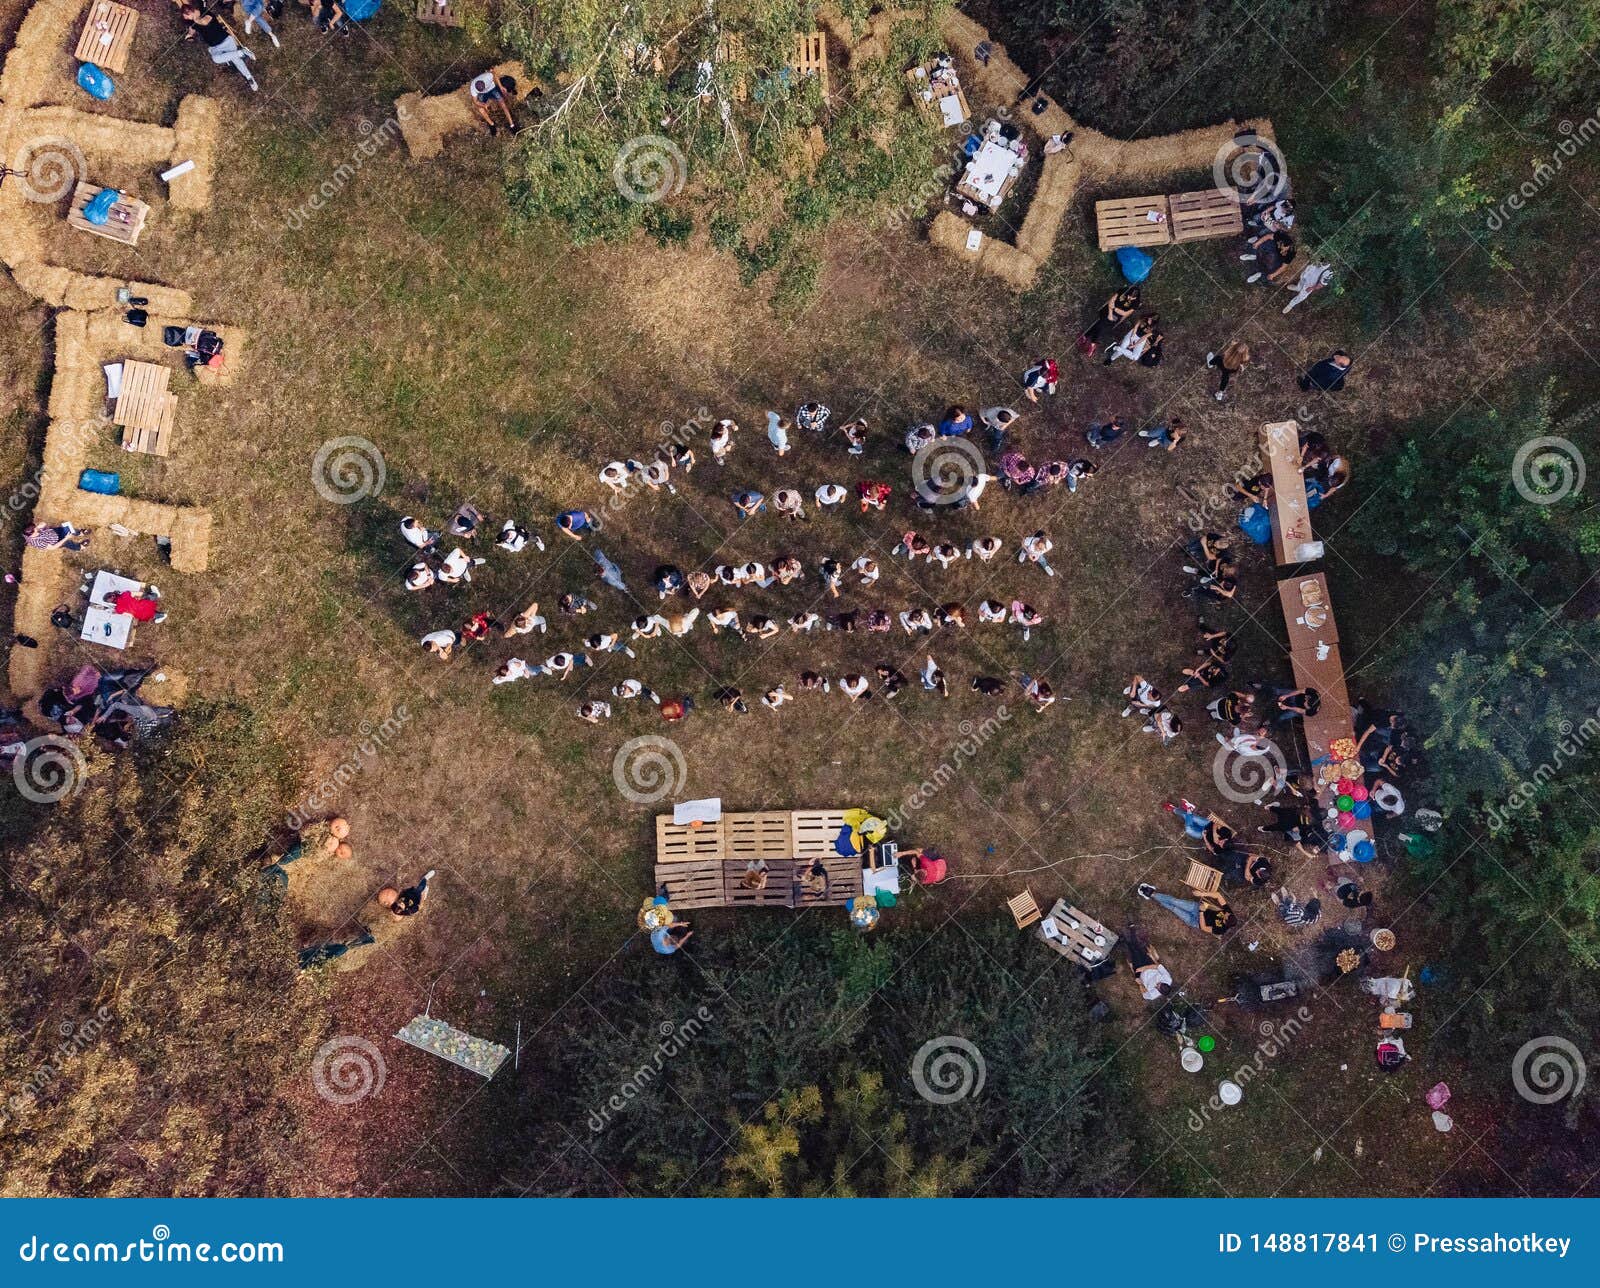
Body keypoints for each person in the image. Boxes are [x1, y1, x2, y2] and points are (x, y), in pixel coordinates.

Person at [181, 5, 259, 90]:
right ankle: (242, 52)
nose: (188, 19)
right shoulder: (192, 21)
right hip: (215, 48)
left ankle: (250, 78)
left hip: (226, 41)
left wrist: (195, 19)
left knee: (237, 61)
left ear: (189, 11)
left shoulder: (205, 12)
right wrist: (189, 34)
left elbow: (205, 22)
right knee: (216, 59)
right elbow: (191, 29)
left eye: (187, 16)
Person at [1137, 883, 1234, 935]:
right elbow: (1218, 895)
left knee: (1173, 908)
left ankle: (1152, 896)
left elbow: (1204, 928)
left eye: (1226, 916)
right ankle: (1152, 893)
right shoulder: (1229, 914)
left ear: (1225, 922)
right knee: (1175, 901)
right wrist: (1201, 894)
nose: (1226, 913)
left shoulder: (1221, 930)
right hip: (1196, 908)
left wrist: (1201, 912)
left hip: (1195, 921)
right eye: (1228, 913)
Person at [1079, 286, 1140, 356]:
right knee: (1101, 324)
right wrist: (1110, 313)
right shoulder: (1124, 291)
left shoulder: (1136, 303)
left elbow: (1125, 313)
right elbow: (1111, 301)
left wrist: (1115, 311)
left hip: (1116, 316)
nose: (1129, 298)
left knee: (1101, 324)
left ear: (1136, 297)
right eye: (1129, 296)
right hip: (1108, 310)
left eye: (1132, 298)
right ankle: (1092, 343)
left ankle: (1086, 337)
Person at [1124, 926, 1173, 1000]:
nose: (1157, 984)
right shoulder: (1168, 979)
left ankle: (1128, 938)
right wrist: (1144, 968)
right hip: (1149, 965)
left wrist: (1140, 984)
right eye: (1159, 983)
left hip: (1140, 975)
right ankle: (1131, 934)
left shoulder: (1152, 995)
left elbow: (1144, 994)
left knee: (1135, 954)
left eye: (1157, 986)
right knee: (1138, 950)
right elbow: (1158, 966)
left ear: (1159, 991)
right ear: (1165, 983)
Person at [469, 69, 519, 135]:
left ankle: (512, 125)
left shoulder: (487, 76)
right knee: (480, 109)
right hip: (482, 94)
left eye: (484, 87)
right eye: (481, 89)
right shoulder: (473, 88)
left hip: (492, 89)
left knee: (503, 104)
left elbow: (494, 73)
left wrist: (501, 87)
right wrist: (484, 105)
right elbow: (475, 101)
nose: (484, 89)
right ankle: (492, 124)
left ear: (484, 83)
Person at [23, 522, 91, 552]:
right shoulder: (37, 542)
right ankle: (80, 547)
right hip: (57, 541)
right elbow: (53, 547)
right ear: (32, 534)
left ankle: (80, 533)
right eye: (35, 529)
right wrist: (65, 538)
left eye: (35, 527)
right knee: (68, 543)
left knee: (67, 528)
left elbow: (43, 523)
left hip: (53, 532)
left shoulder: (28, 533)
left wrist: (37, 527)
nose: (36, 529)